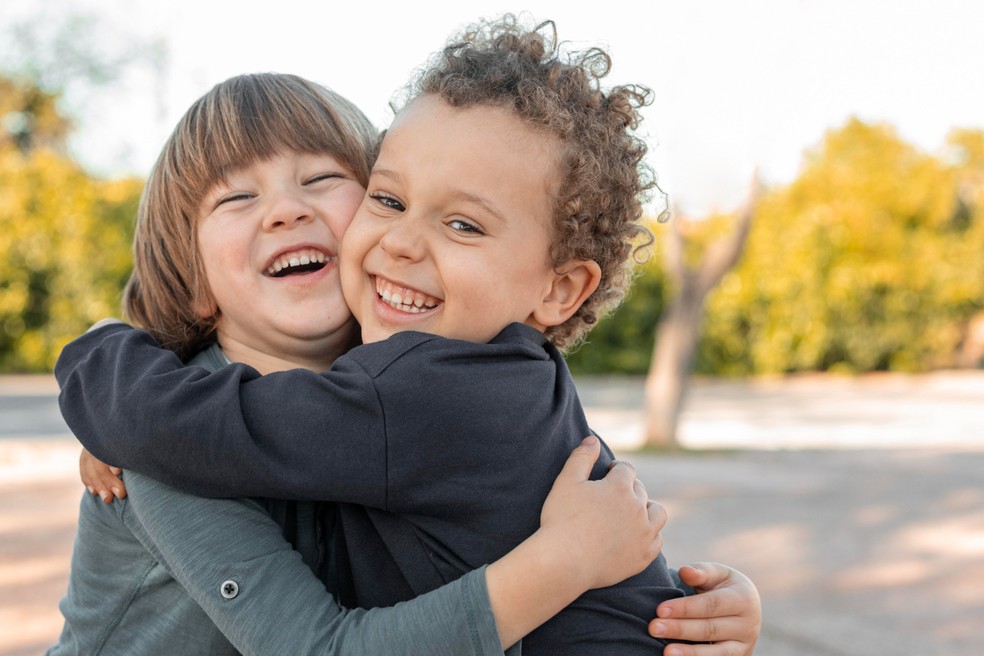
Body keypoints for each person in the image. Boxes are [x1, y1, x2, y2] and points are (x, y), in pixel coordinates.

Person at [56, 16, 761, 656]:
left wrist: (102, 364)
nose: (285, 211)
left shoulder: (409, 391)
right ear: (194, 278)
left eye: (324, 179)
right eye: (391, 202)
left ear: (558, 287)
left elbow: (597, 536)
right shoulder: (168, 450)